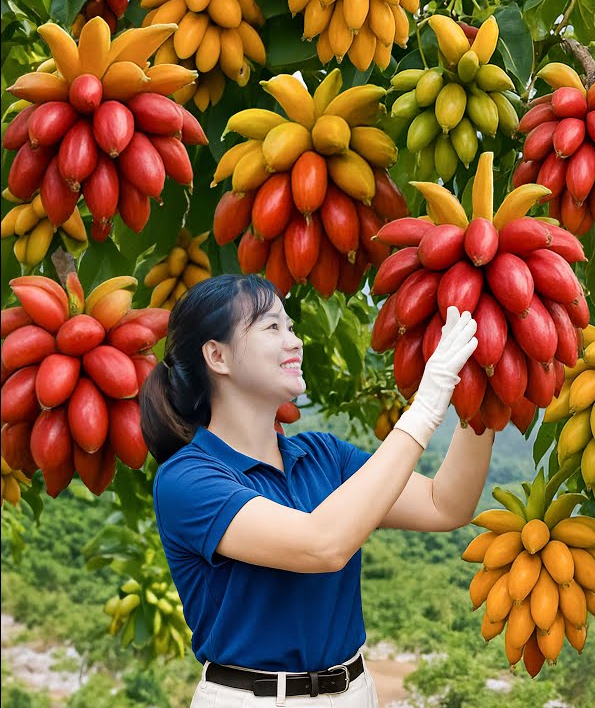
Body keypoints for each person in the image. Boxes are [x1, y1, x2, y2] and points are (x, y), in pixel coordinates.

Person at [139, 274, 492, 707]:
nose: (295, 341)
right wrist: (425, 407)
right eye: (272, 327)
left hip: (354, 692)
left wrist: (487, 397)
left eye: (291, 327)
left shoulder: (323, 454)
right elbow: (321, 545)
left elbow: (445, 504)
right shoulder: (187, 480)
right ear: (217, 355)